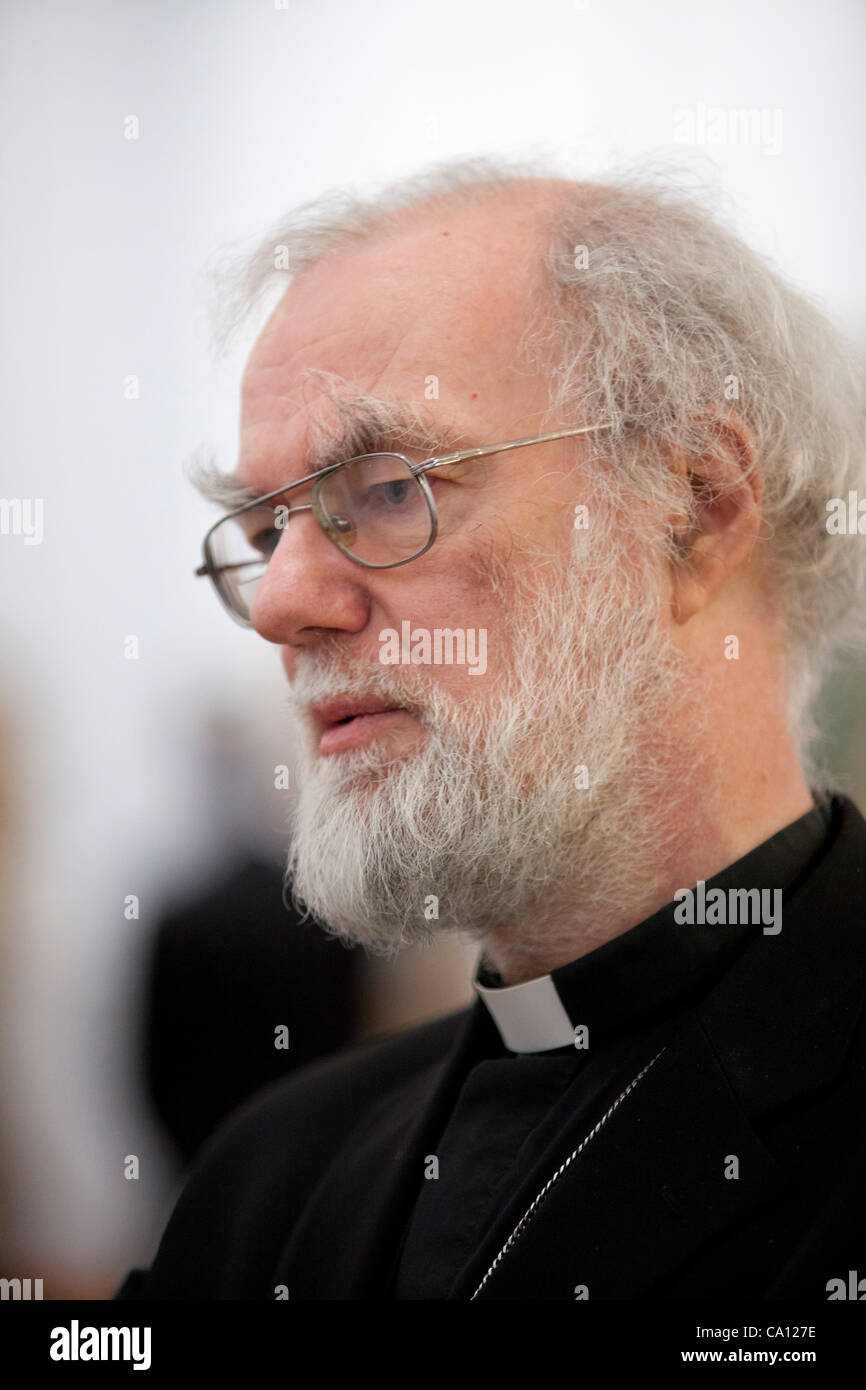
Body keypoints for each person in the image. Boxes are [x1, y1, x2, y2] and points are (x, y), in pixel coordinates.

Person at [116, 157, 866, 1300]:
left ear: (692, 508)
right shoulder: (263, 1183)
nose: (277, 605)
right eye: (266, 531)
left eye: (386, 488)